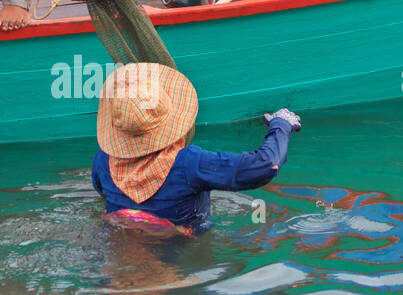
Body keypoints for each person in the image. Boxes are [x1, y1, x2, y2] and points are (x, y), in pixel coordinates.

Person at [92, 62, 300, 234]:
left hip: (118, 252)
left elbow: (103, 193)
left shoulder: (103, 160)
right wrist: (281, 123)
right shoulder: (188, 164)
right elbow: (266, 166)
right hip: (176, 260)